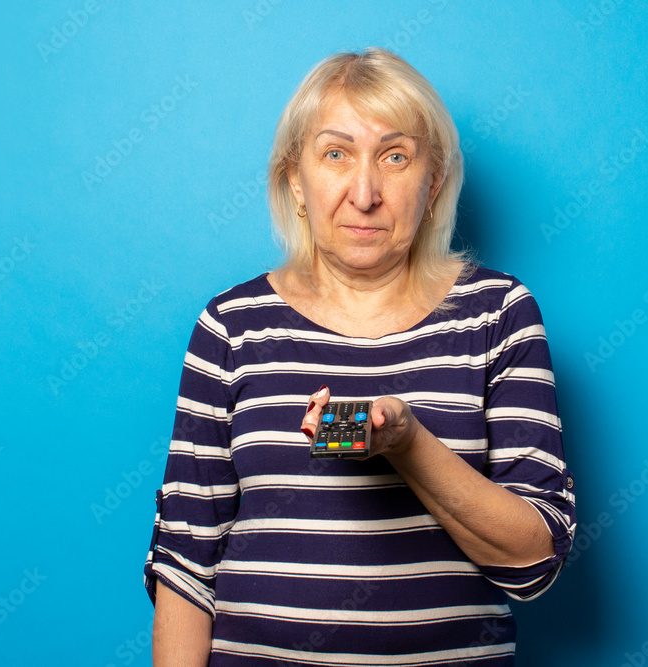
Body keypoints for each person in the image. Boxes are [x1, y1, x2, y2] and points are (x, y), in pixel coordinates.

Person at [144, 47, 575, 666]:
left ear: (434, 183)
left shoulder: (498, 314)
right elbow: (186, 560)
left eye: (395, 157)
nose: (365, 193)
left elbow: (534, 562)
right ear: (296, 179)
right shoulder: (232, 327)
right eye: (336, 155)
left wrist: (408, 444)